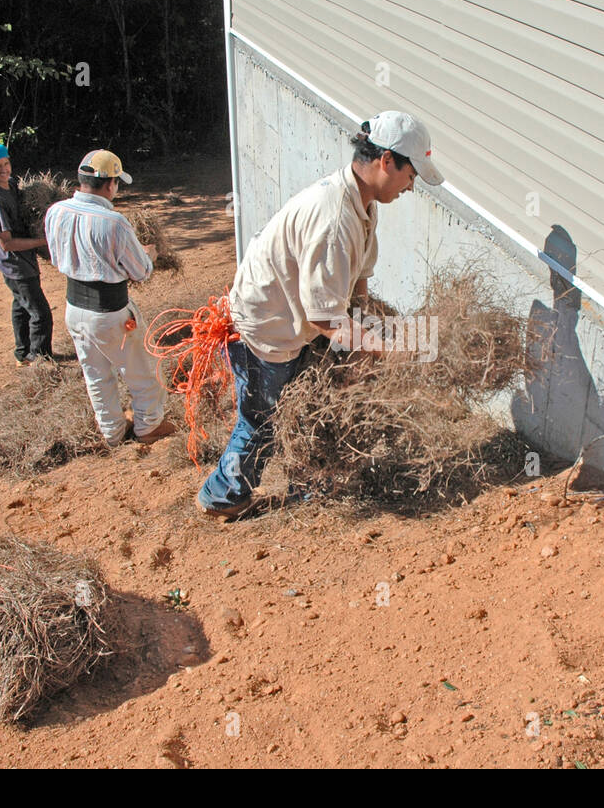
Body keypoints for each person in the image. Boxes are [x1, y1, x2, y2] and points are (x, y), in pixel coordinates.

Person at [196, 110, 444, 520]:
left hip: (298, 315)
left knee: (311, 397)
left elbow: (359, 276)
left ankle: (308, 482)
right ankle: (221, 497)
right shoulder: (333, 218)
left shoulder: (364, 202)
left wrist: (368, 324)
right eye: (412, 174)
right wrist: (386, 350)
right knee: (263, 419)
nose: (412, 186)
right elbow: (324, 319)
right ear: (387, 162)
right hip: (269, 326)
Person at [45, 149, 176, 447]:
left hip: (74, 308)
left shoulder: (56, 212)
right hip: (110, 311)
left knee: (96, 375)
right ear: (109, 184)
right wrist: (149, 254)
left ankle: (112, 432)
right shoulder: (114, 222)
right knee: (144, 373)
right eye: (117, 182)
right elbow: (141, 272)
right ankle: (148, 427)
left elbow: (55, 257)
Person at [0, 142, 54, 367]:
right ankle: (41, 360)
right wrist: (43, 242)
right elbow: (6, 243)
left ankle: (23, 353)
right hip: (15, 264)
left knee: (21, 306)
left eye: (6, 163)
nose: (4, 169)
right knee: (41, 314)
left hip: (24, 259)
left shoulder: (9, 184)